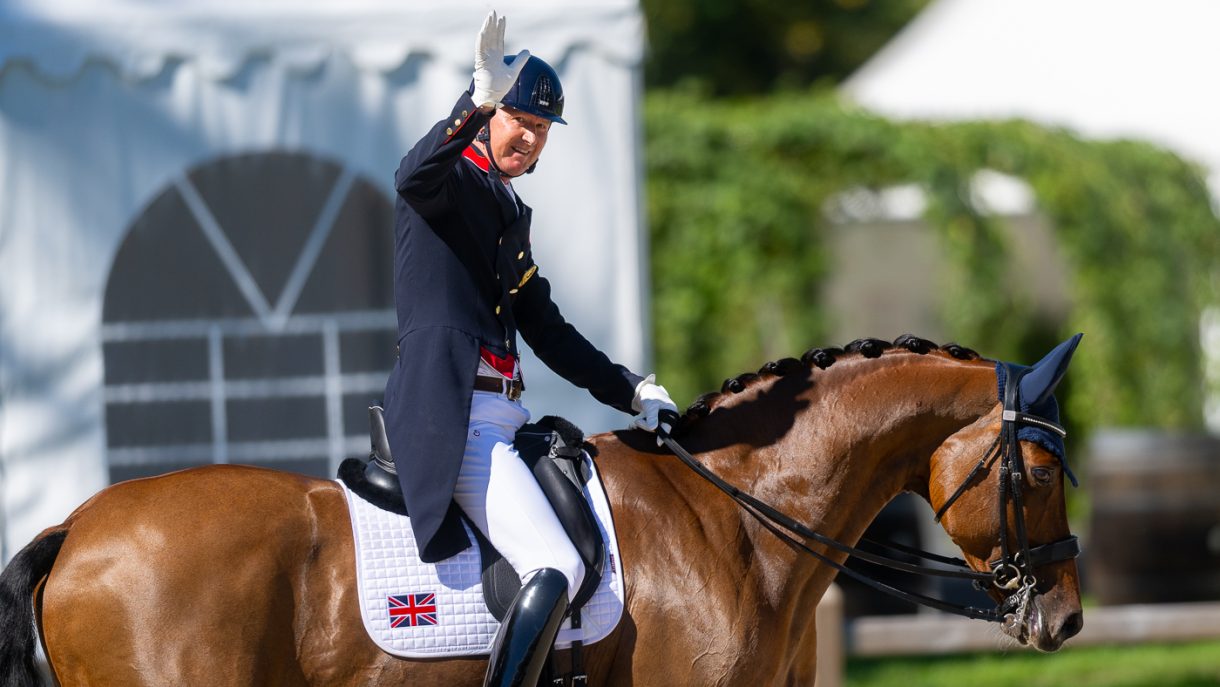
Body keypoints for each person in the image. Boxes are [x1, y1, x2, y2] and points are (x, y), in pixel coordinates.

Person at [381, 11, 678, 686]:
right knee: (556, 565)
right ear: (492, 115)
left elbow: (545, 326)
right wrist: (477, 99)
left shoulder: (510, 213)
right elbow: (410, 176)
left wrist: (630, 387)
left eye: (540, 129)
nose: (529, 136)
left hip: (505, 420)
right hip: (458, 419)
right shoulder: (449, 182)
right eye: (519, 120)